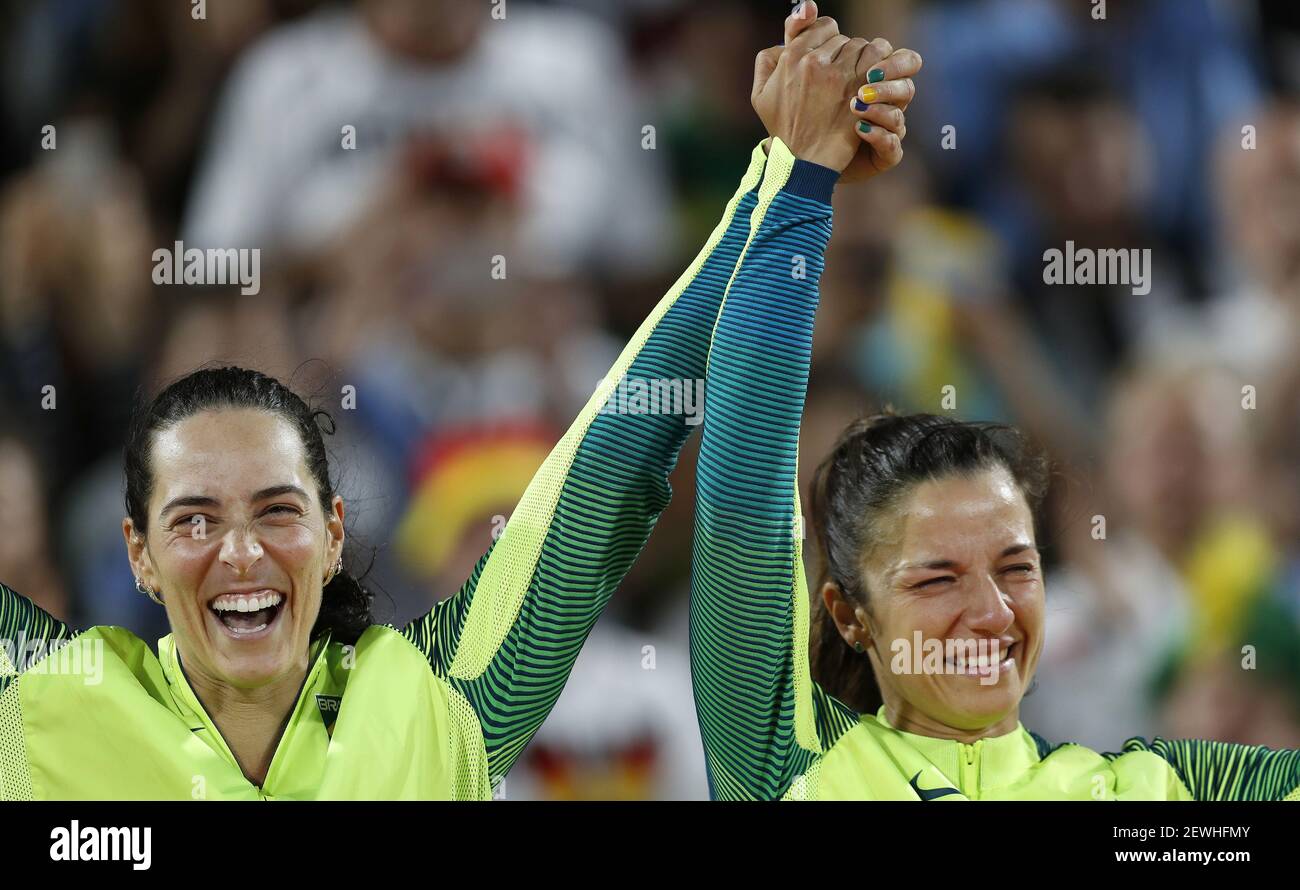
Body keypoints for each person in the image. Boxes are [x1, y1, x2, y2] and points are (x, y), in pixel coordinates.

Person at [0, 1, 894, 800]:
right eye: (195, 520)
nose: (242, 552)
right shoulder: (51, 717)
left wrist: (793, 180)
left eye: (277, 511)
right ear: (139, 553)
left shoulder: (439, 715)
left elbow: (621, 456)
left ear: (335, 533)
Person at [685, 30, 1300, 797]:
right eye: (937, 579)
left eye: (1017, 568)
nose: (993, 611)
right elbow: (738, 500)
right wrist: (797, 179)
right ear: (849, 615)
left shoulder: (1143, 791)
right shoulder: (790, 770)